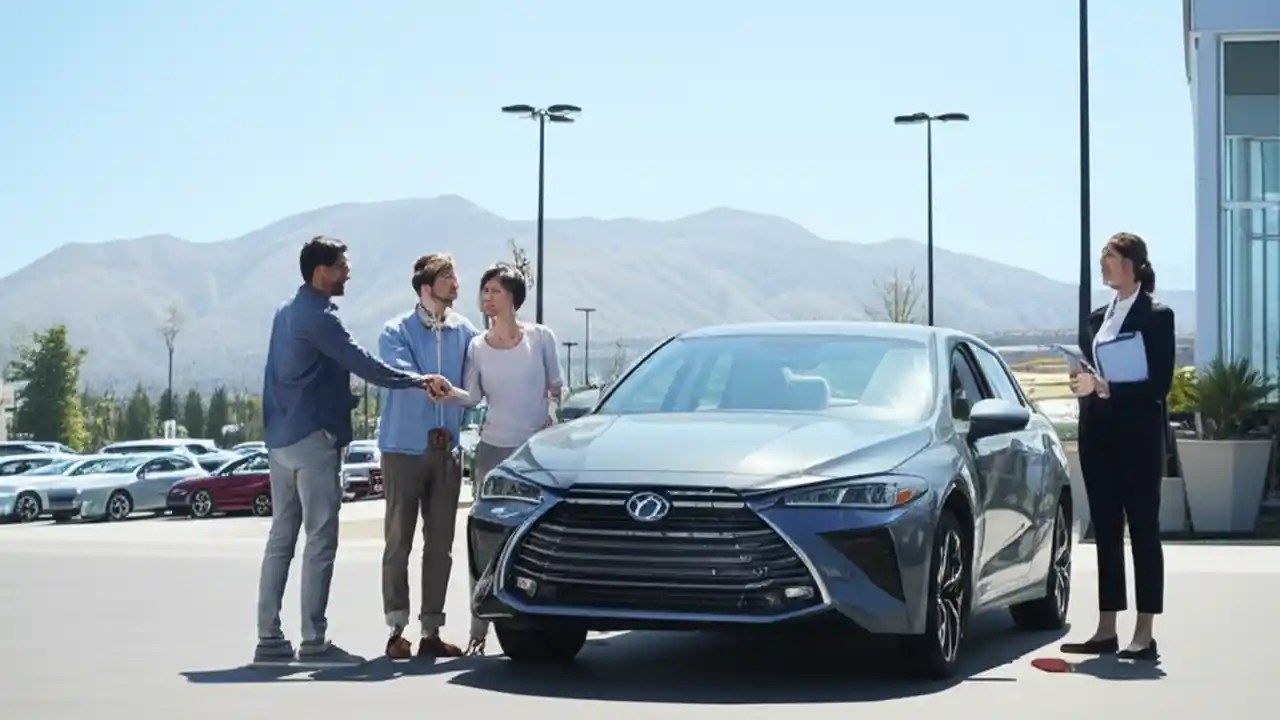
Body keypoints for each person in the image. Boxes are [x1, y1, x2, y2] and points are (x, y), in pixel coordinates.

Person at [254, 235, 438, 668]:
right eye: (342, 266)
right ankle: (314, 643)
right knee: (320, 539)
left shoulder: (286, 311)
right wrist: (418, 381)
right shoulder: (320, 317)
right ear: (321, 272)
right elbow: (364, 364)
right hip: (313, 442)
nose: (348, 273)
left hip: (281, 442)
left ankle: (268, 640)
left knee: (281, 538)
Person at [437, 262, 564, 656]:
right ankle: (478, 628)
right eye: (484, 290)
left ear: (512, 297)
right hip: (493, 451)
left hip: (536, 452)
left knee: (537, 536)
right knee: (487, 537)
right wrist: (448, 392)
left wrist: (551, 420)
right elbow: (472, 397)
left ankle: (546, 615)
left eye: (494, 290)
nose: (487, 298)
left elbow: (555, 387)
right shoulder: (477, 347)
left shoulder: (541, 338)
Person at [1061, 231, 1175, 662]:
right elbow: (1094, 374)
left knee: (1143, 530)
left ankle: (1144, 633)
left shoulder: (1157, 316)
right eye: (1103, 256)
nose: (1103, 263)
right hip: (1099, 436)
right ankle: (1106, 629)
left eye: (1109, 256)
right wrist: (1082, 383)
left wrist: (1108, 388)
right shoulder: (1097, 318)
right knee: (1106, 532)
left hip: (1139, 439)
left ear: (1132, 265)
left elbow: (1158, 385)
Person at [376, 252, 479, 659]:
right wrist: (425, 381)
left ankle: (431, 630)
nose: (456, 283)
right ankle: (396, 630)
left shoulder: (465, 332)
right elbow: (396, 370)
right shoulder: (395, 331)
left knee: (441, 544)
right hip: (402, 449)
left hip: (447, 451)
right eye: (448, 277)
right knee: (398, 539)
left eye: (456, 275)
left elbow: (475, 383)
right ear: (426, 286)